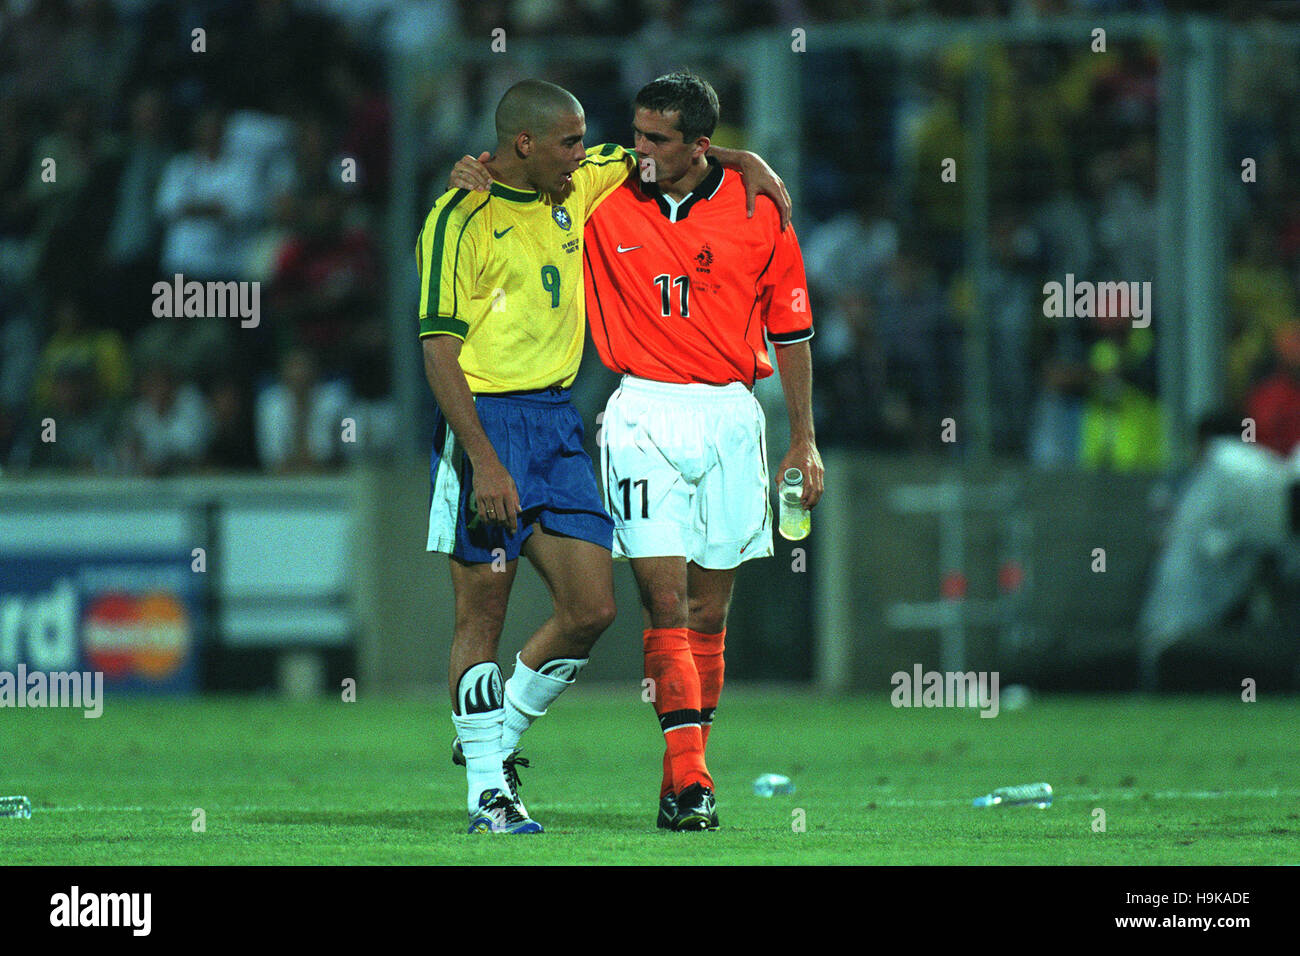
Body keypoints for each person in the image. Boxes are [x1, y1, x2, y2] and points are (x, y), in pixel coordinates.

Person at [451, 72, 821, 831]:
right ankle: (693, 781)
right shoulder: (597, 195)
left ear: (699, 147)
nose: (637, 153)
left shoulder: (759, 209)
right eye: (636, 134)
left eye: (657, 140)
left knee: (710, 613)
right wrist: (469, 172)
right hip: (643, 410)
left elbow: (791, 330)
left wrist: (804, 439)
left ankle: (669, 775)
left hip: (731, 415)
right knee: (663, 599)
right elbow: (522, 169)